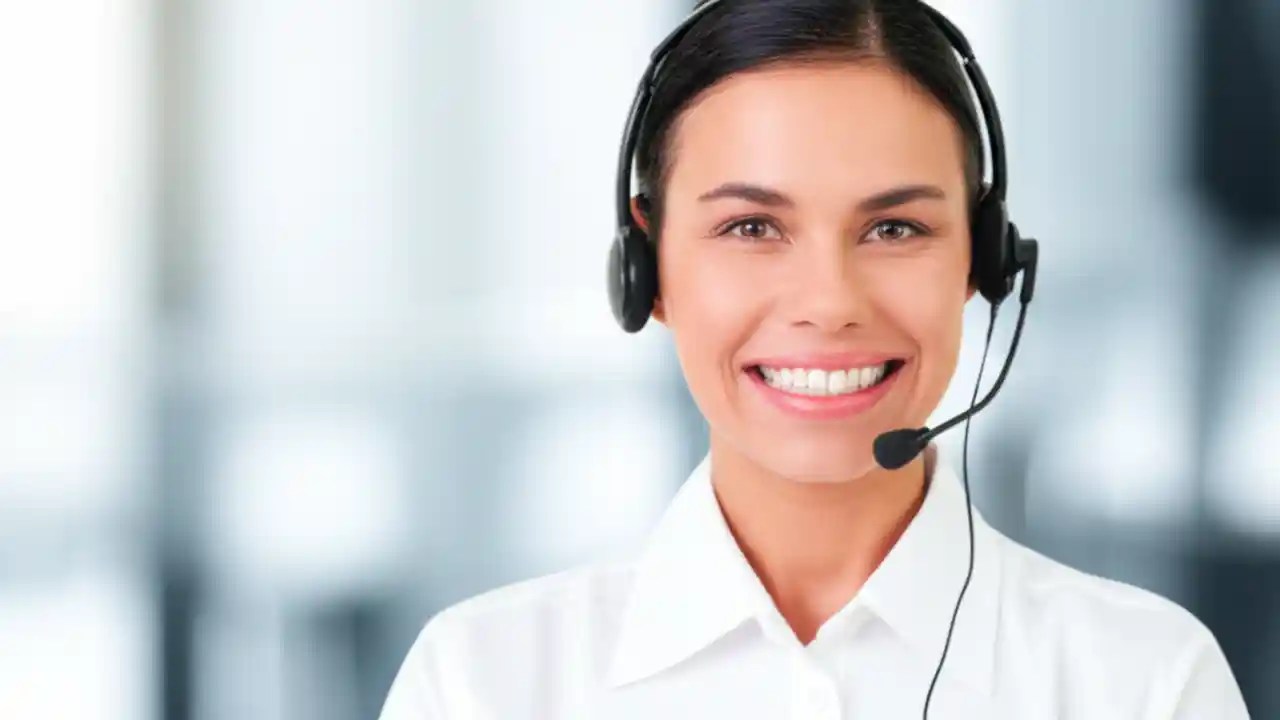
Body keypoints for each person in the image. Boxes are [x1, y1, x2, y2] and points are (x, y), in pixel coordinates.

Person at [379, 0, 1250, 717]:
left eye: (894, 228)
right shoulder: (481, 683)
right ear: (648, 271)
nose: (829, 302)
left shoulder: (1144, 682)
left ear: (981, 263)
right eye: (751, 228)